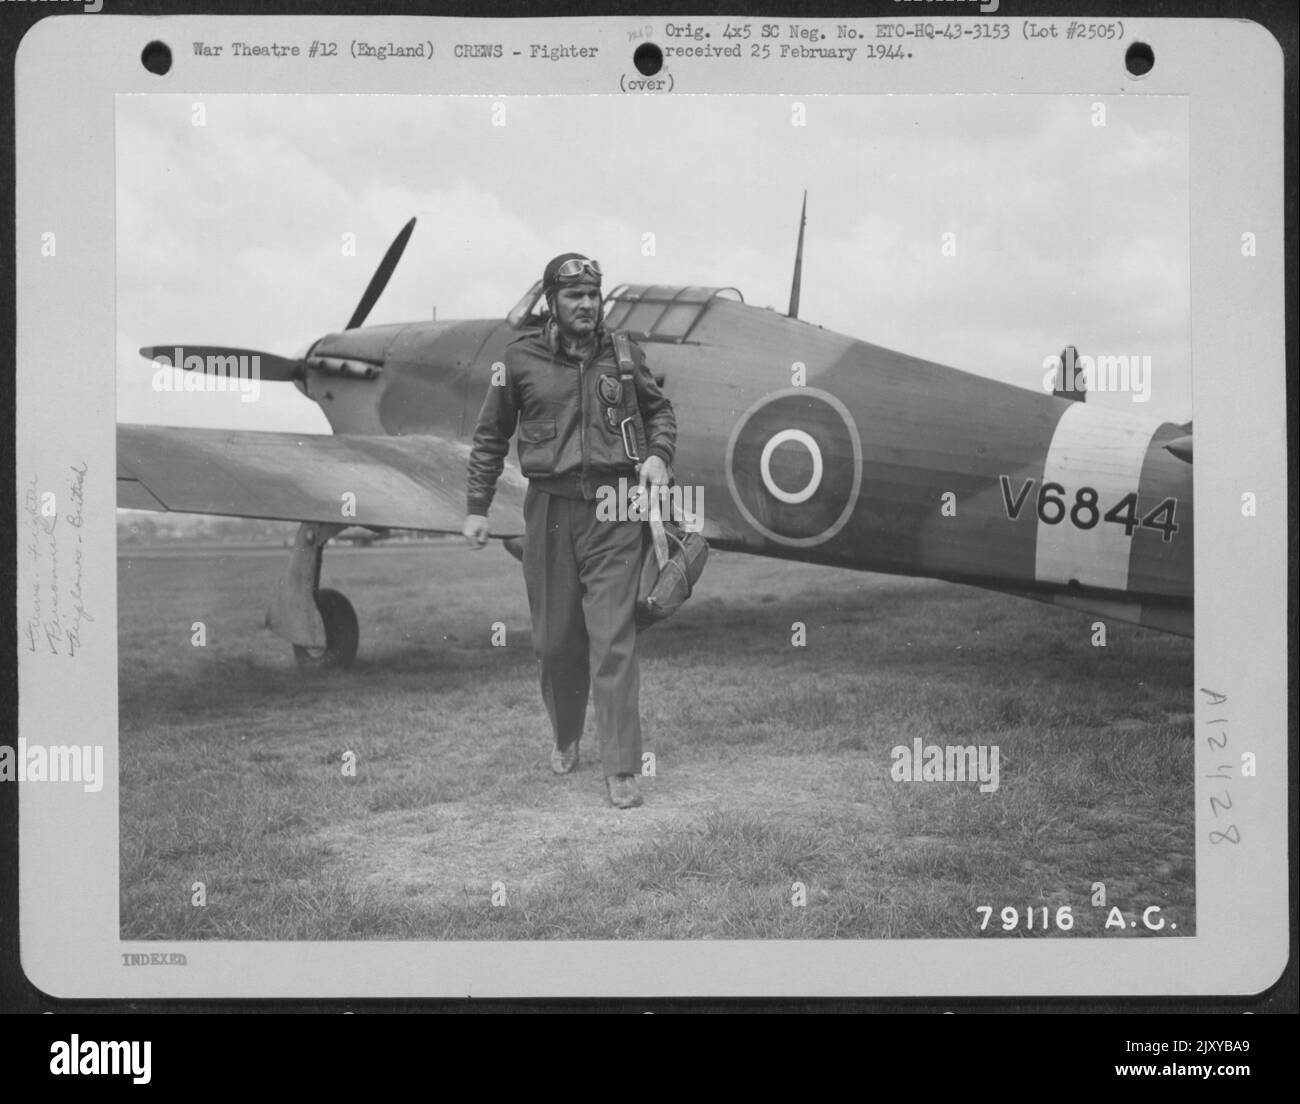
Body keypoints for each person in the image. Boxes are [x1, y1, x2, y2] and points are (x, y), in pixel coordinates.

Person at [462, 254, 676, 809]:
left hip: (614, 507)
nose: (586, 304)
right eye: (574, 295)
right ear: (552, 302)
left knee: (613, 638)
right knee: (557, 641)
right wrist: (477, 506)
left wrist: (657, 456)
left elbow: (661, 414)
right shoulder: (518, 360)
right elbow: (490, 437)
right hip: (550, 510)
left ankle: (622, 767)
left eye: (593, 294)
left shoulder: (625, 355)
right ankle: (565, 735)